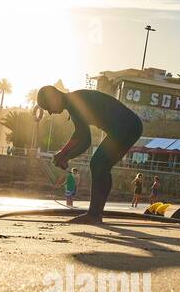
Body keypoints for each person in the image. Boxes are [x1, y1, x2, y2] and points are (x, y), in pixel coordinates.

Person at [35, 85, 142, 224]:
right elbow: (79, 134)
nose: (49, 112)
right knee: (102, 166)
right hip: (129, 126)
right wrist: (64, 153)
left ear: (54, 98)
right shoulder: (73, 101)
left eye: (48, 107)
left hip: (127, 126)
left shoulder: (75, 102)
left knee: (98, 164)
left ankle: (94, 214)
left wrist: (66, 155)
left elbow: (85, 141)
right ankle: (96, 213)